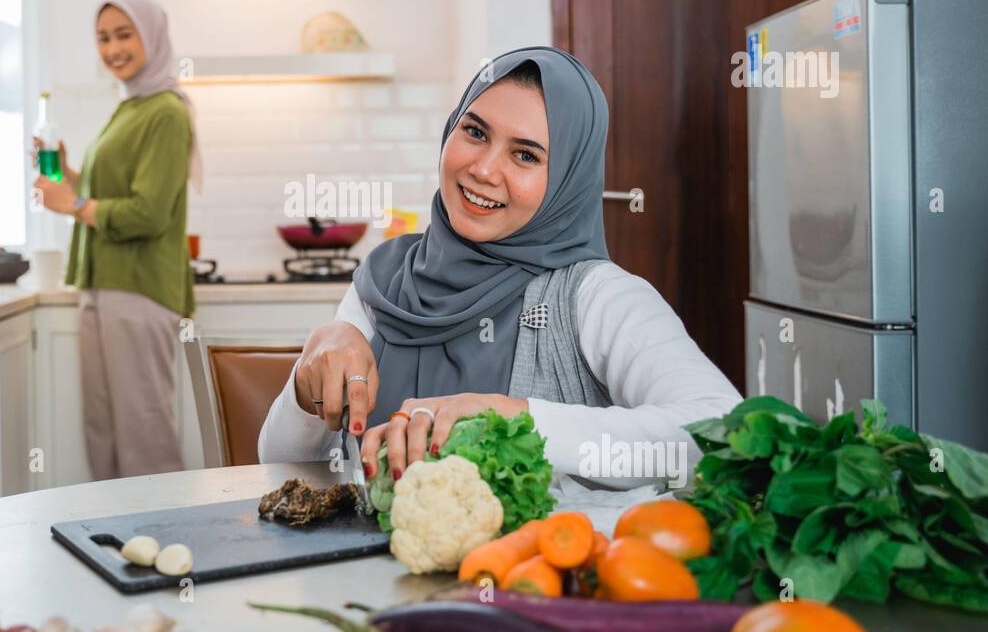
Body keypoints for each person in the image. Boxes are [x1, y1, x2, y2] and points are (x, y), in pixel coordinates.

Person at [257, 46, 740, 490]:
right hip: (361, 581)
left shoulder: (597, 297)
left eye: (525, 155)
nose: (485, 170)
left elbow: (723, 433)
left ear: (567, 181)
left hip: (531, 580)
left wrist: (515, 417)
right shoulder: (384, 281)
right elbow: (280, 466)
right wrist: (305, 381)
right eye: (475, 132)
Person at [33, 0, 203, 479]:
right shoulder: (130, 106)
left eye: (124, 34)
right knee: (103, 433)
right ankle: (113, 549)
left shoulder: (166, 111)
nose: (113, 48)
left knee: (144, 436)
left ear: (152, 36)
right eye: (104, 37)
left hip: (139, 289)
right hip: (103, 288)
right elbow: (113, 190)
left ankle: (167, 545)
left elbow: (148, 212)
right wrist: (68, 173)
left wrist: (75, 205)